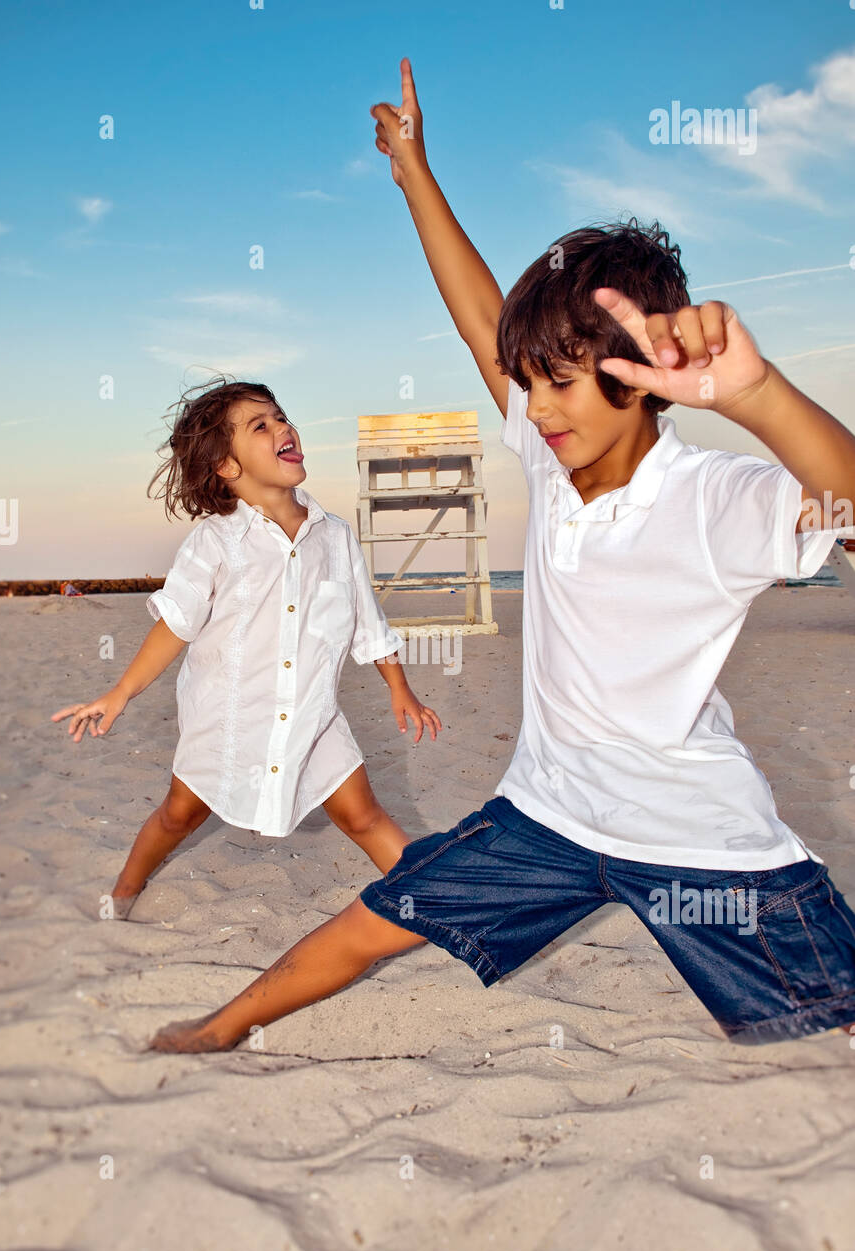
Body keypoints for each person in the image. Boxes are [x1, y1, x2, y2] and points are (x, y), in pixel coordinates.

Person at [148, 59, 855, 1054]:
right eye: (530, 383)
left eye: (563, 382)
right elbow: (481, 317)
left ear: (647, 378)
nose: (540, 407)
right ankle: (220, 1029)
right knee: (374, 922)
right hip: (546, 818)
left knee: (834, 1004)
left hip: (702, 842)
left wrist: (756, 394)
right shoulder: (549, 446)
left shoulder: (711, 500)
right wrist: (414, 174)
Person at [52, 376, 441, 920]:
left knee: (364, 815)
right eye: (261, 425)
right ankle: (125, 889)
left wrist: (400, 688)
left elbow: (363, 620)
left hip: (312, 711)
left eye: (281, 415)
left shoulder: (334, 535)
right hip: (228, 716)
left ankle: (438, 905)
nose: (283, 426)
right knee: (179, 815)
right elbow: (176, 625)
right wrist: (121, 693)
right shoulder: (214, 541)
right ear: (228, 467)